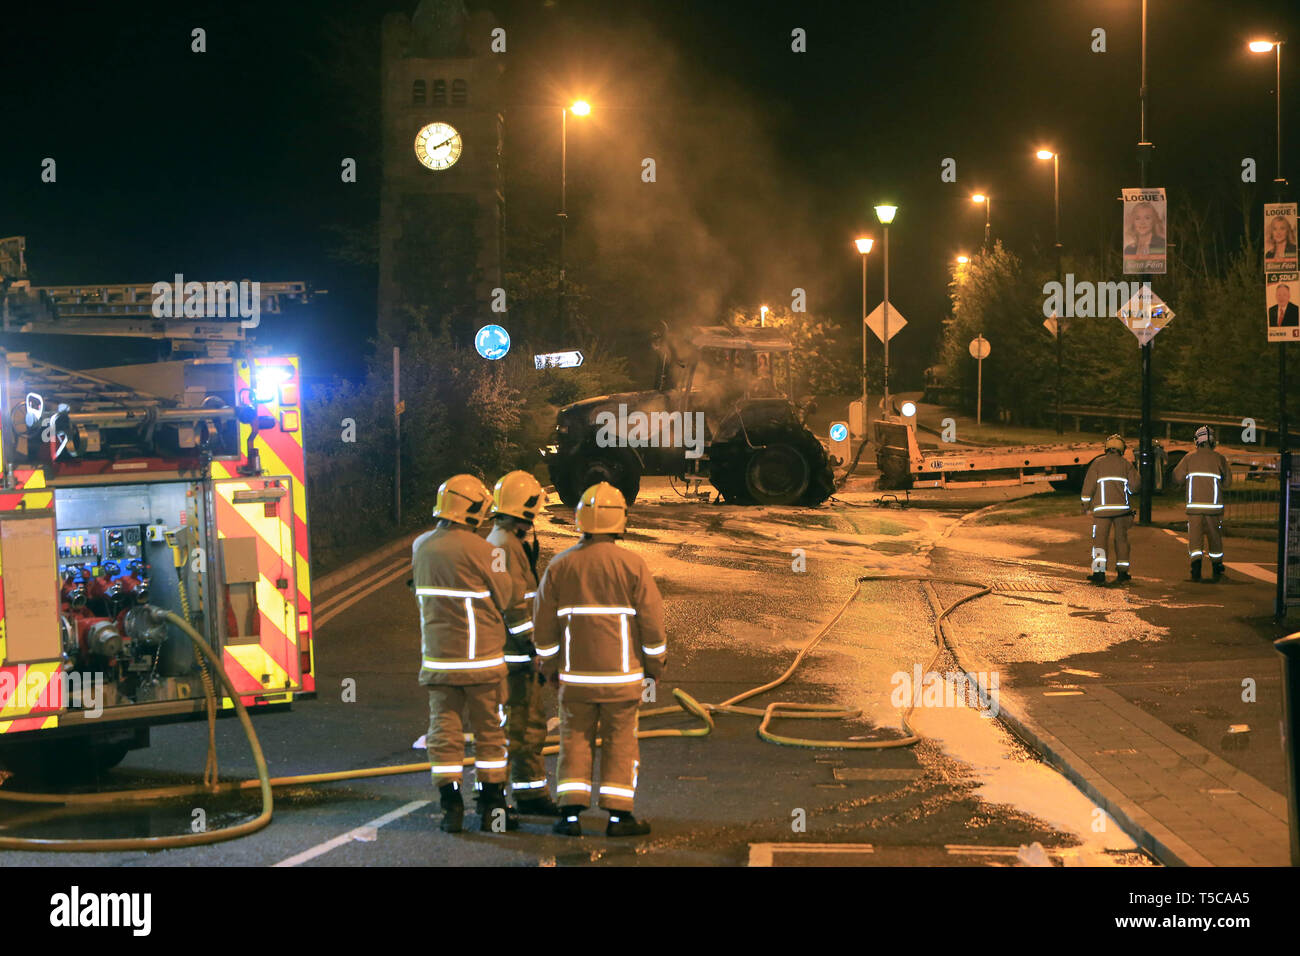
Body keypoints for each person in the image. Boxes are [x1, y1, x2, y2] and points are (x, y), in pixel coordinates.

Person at [532, 482, 667, 837]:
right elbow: (652, 623)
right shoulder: (633, 565)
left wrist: (549, 669)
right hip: (622, 679)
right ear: (620, 520)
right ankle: (619, 817)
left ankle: (570, 816)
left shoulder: (560, 566)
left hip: (575, 678)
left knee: (573, 740)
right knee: (621, 742)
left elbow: (543, 627)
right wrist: (654, 667)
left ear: (581, 520)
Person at [414, 474, 516, 834]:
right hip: (483, 663)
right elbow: (506, 598)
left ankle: (451, 805)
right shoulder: (490, 551)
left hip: (439, 662)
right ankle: (492, 806)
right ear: (474, 510)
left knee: (444, 732)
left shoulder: (420, 546)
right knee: (490, 733)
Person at [485, 469, 560, 816]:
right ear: (527, 509)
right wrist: (535, 648)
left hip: (513, 655)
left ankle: (528, 794)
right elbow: (514, 605)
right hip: (513, 656)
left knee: (527, 726)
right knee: (516, 729)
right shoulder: (504, 546)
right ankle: (496, 801)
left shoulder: (506, 542)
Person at [1172, 426, 1233, 581]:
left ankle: (1196, 569)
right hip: (1214, 509)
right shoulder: (1219, 458)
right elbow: (1227, 483)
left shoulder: (1189, 458)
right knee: (1215, 538)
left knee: (1195, 539)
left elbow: (1177, 478)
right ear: (1213, 441)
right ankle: (1217, 568)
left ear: (1197, 440)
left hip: (1194, 508)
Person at [1080, 435, 1141, 585]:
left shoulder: (1098, 463)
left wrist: (1086, 505)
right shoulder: (1126, 465)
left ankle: (1099, 573)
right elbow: (1134, 487)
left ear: (1106, 448)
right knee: (1122, 541)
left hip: (1101, 512)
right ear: (1122, 449)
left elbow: (1088, 487)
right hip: (1122, 511)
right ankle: (1122, 572)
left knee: (1100, 541)